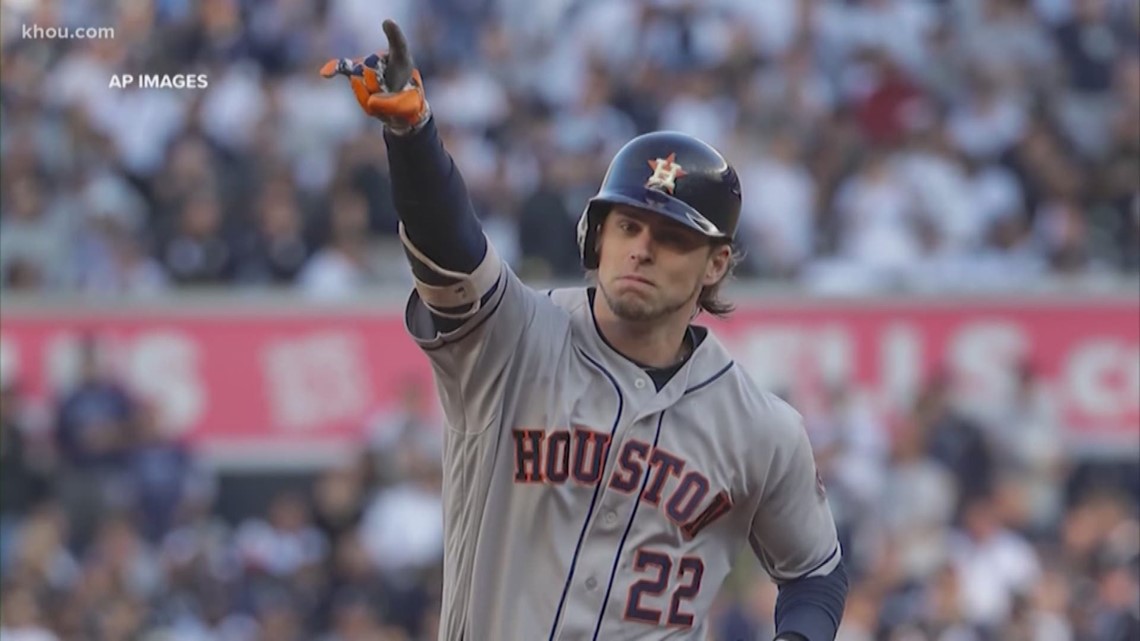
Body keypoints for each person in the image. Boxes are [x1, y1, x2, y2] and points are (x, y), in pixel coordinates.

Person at [321, 20, 848, 641]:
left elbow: (816, 573)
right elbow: (452, 253)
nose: (642, 250)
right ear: (596, 236)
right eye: (628, 226)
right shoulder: (511, 339)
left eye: (672, 238)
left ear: (716, 265)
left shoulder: (763, 429)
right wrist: (414, 137)